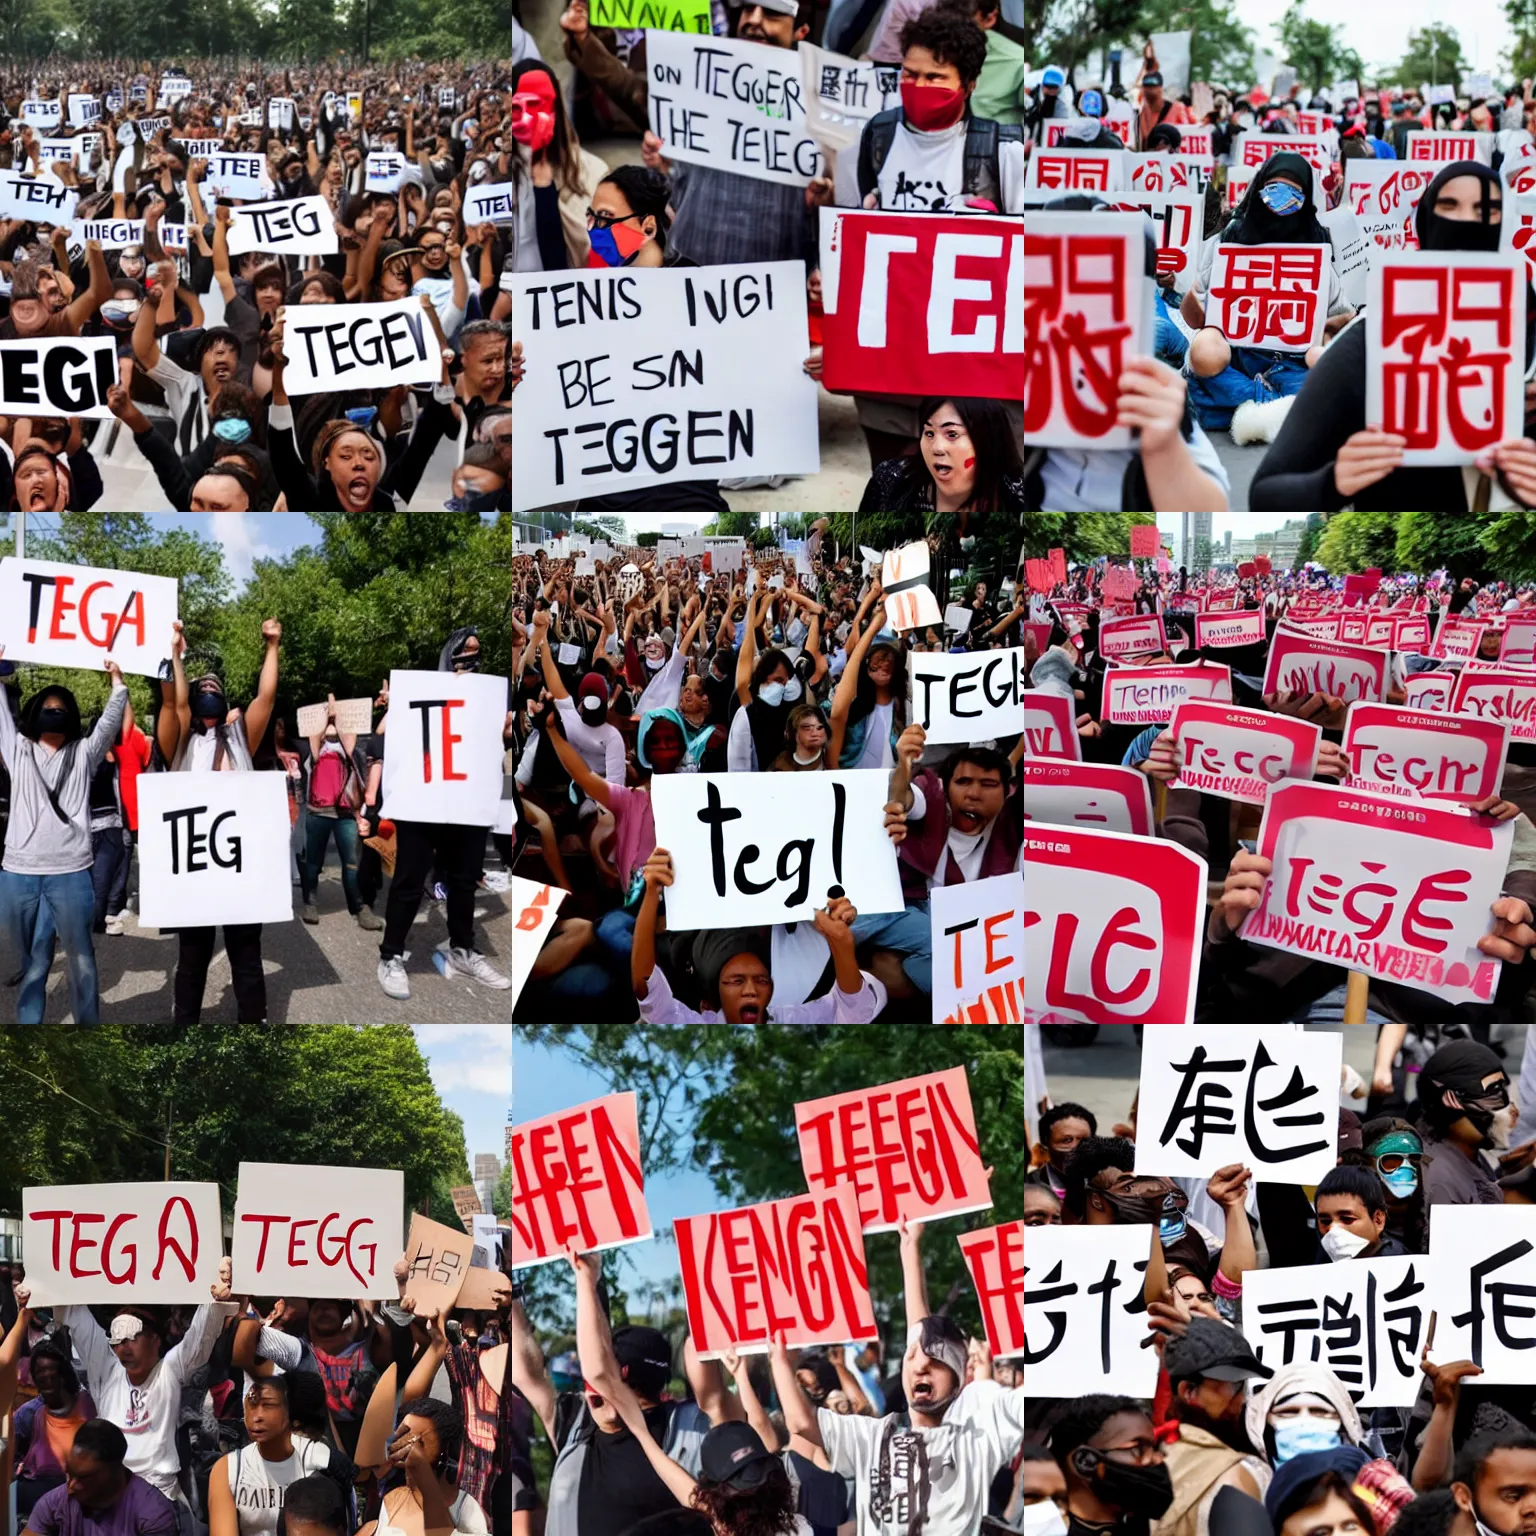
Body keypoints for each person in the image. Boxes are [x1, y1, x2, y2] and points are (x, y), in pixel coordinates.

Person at [1251, 162, 1536, 510]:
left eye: (1487, 210)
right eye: (1449, 206)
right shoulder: (1372, 344)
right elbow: (1267, 492)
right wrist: (1334, 482)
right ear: (1426, 218)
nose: (1467, 221)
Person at [769, 1219, 1025, 1535]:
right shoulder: (872, 1437)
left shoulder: (979, 1439)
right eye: (912, 1357)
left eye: (936, 1361)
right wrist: (780, 1363)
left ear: (959, 1380)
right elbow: (801, 1424)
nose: (920, 1365)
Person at [16, 1262, 236, 1516]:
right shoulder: (106, 1371)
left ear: (155, 1340)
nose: (123, 1348)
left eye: (133, 1337)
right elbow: (74, 1314)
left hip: (159, 1494)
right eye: (117, 1340)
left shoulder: (170, 1370)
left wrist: (216, 1304)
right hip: (108, 1495)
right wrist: (40, 1287)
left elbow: (200, 1338)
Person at [156, 617, 281, 1024]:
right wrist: (176, 655)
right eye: (201, 685)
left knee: (247, 956)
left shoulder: (241, 738)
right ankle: (185, 1024)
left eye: (216, 685)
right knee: (192, 959)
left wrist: (272, 646)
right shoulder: (179, 745)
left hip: (240, 872)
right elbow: (173, 704)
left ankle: (253, 1023)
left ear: (225, 699)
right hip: (196, 876)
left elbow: (266, 695)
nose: (209, 688)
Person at [0, 649, 129, 1024]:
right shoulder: (17, 749)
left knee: (81, 960)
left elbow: (107, 724)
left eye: (61, 708)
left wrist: (117, 682)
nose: (54, 712)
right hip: (19, 871)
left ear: (70, 715)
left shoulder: (85, 754)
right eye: (48, 706)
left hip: (71, 873)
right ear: (35, 711)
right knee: (33, 962)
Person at [209, 1376, 337, 1536]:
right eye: (252, 1405)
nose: (257, 1416)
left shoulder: (319, 1460)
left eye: (268, 1406)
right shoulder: (228, 1469)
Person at [354, 1400, 489, 1536]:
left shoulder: (463, 1506)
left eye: (419, 1442)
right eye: (403, 1439)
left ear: (446, 1450)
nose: (408, 1448)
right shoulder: (393, 1500)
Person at [22, 1420, 179, 1536]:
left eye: (83, 1478)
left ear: (114, 1471)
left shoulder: (152, 1514)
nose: (70, 1488)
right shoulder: (54, 1503)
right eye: (70, 1473)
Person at [12, 1340, 98, 1520]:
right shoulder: (30, 1413)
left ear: (64, 1374)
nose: (47, 1376)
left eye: (52, 1370)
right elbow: (9, 1448)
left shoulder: (89, 1406)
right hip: (36, 1490)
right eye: (40, 1372)